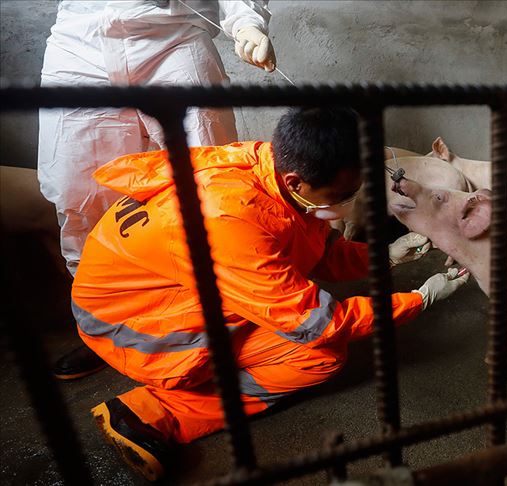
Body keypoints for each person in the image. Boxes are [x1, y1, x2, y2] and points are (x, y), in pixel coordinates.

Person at [73, 107, 469, 480]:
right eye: (343, 193)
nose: (350, 200)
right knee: (319, 354)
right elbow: (319, 323)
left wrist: (383, 256)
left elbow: (311, 247)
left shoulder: (268, 167)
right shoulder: (231, 221)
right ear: (298, 182)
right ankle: (152, 413)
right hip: (134, 328)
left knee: (287, 302)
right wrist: (418, 299)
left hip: (141, 296)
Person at [39, 0, 277, 380]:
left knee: (209, 185)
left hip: (174, 35)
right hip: (80, 43)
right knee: (80, 194)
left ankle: (233, 318)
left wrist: (245, 22)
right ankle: (104, 327)